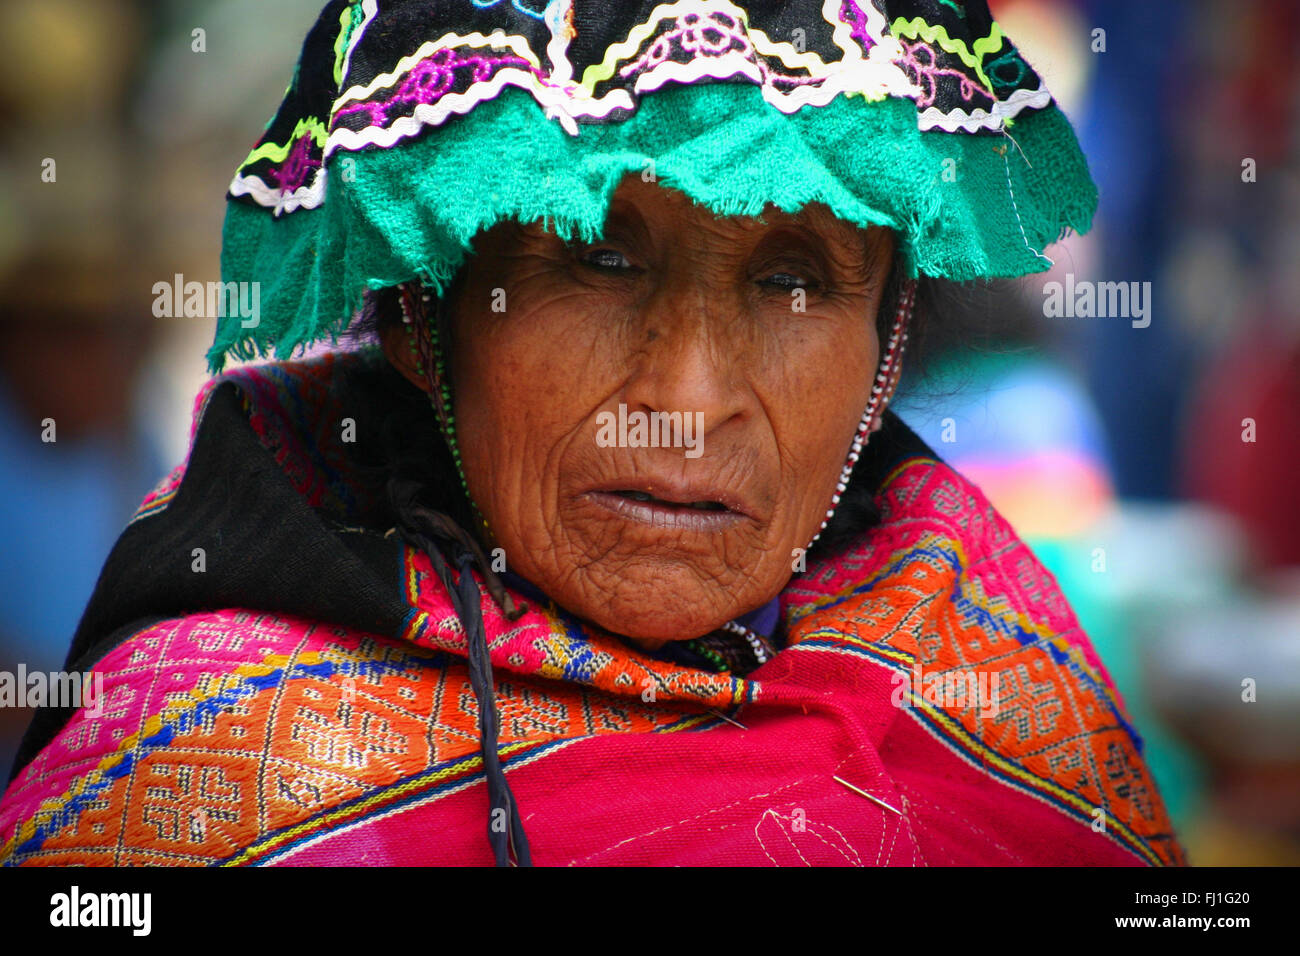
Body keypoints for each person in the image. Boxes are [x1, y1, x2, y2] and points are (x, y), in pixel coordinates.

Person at [0, 0, 1182, 866]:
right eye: (602, 258)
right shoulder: (185, 775)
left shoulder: (993, 685)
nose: (690, 392)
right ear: (425, 309)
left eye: (791, 280)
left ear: (885, 336)